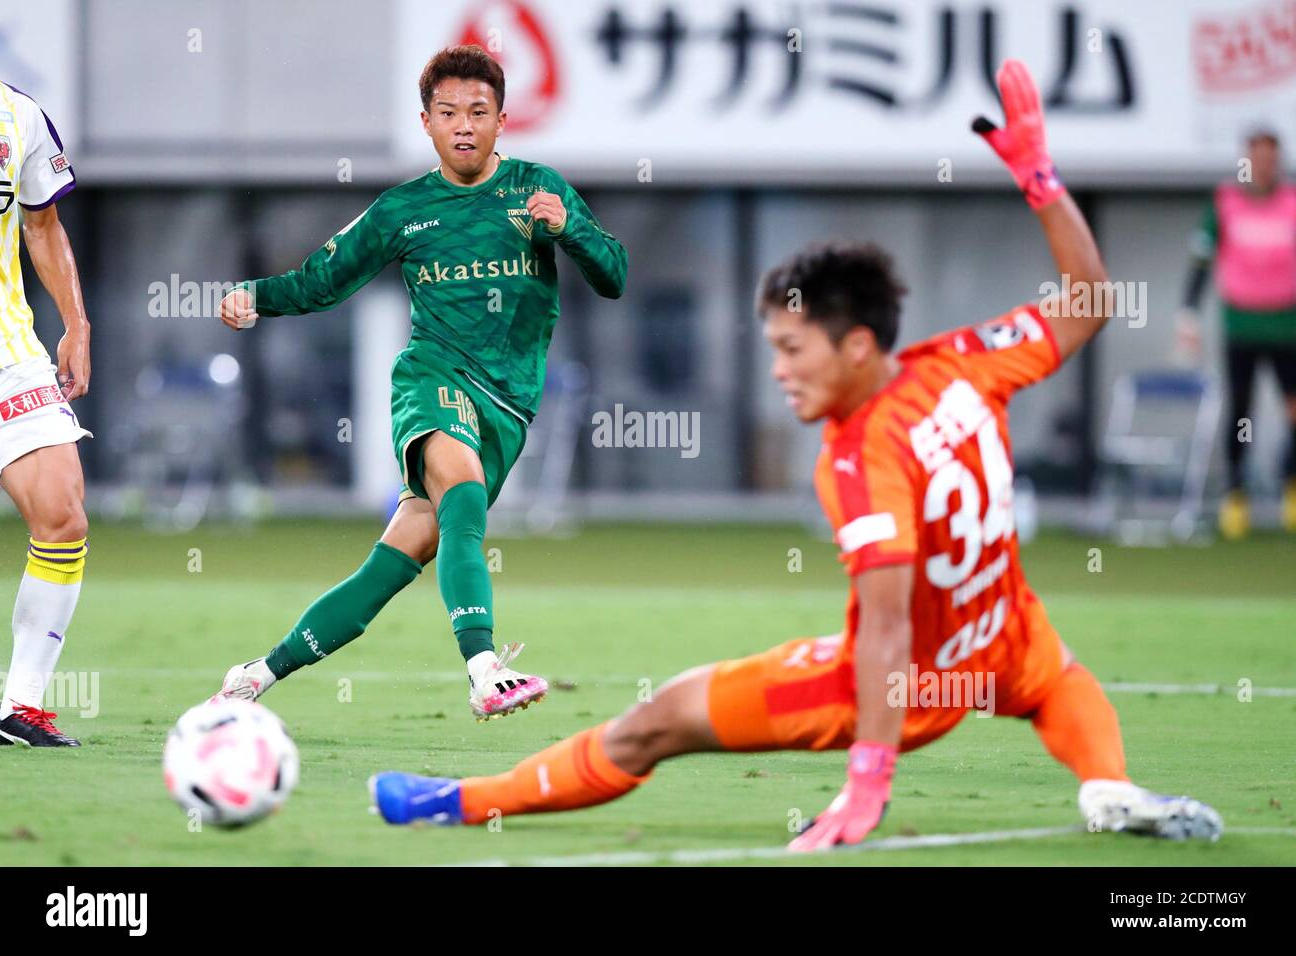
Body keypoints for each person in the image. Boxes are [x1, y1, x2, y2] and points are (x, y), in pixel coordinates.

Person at [368, 61, 1222, 848]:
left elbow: (886, 628)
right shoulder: (966, 363)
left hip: (899, 683)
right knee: (1055, 675)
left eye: (792, 349)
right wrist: (1041, 180)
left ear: (855, 346)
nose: (778, 372)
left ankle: (461, 802)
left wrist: (866, 783)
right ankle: (1109, 789)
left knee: (658, 720)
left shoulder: (858, 456)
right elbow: (1091, 300)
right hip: (1000, 638)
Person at [212, 45, 626, 720]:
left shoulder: (537, 190)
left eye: (478, 112)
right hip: (431, 379)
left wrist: (571, 227)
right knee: (462, 494)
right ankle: (485, 668)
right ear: (427, 123)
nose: (464, 124)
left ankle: (254, 676)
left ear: (501, 121)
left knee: (396, 562)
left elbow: (615, 277)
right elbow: (324, 279)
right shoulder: (404, 209)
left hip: (509, 407)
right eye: (448, 112)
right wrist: (254, 296)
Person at [0, 80, 93, 747]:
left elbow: (42, 223)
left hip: (7, 349)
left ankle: (19, 708)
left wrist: (76, 322)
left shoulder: (17, 113)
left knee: (62, 515)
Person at [1179, 128, 1296, 538]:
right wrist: (1188, 314)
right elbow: (1201, 258)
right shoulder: (1226, 203)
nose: (1263, 165)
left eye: (1270, 157)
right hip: (1241, 326)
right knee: (1242, 411)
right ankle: (1236, 495)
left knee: (1293, 409)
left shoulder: (1291, 203)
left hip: (1288, 327)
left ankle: (1290, 485)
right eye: (1256, 157)